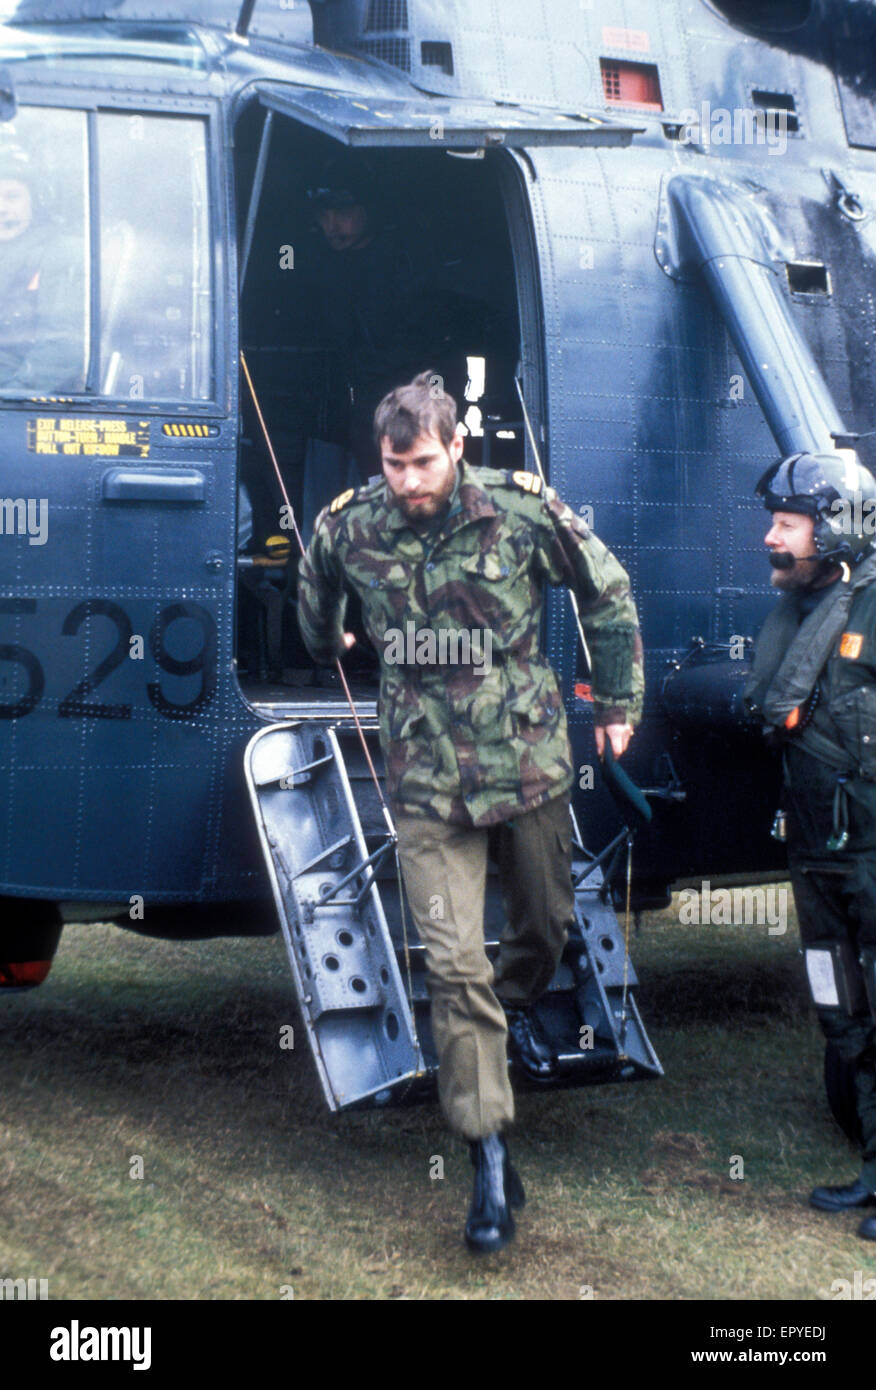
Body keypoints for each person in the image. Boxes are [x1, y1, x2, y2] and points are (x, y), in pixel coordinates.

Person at [297, 372, 643, 1253]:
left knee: (547, 920)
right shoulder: (353, 522)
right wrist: (327, 633)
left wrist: (617, 701)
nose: (407, 483)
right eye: (392, 465)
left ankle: (521, 1000)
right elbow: (316, 583)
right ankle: (488, 1153)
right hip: (422, 779)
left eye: (420, 463)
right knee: (453, 967)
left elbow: (604, 587)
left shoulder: (520, 516)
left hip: (524, 765)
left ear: (456, 448)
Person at [744, 451, 876, 1241]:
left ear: (832, 529)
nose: (772, 538)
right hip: (816, 855)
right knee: (843, 1010)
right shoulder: (793, 614)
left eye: (787, 524)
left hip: (871, 850)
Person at [305, 153, 513, 485]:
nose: (331, 225)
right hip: (353, 417)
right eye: (324, 215)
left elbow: (442, 348)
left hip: (410, 412)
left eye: (343, 213)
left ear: (368, 211)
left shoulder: (409, 267)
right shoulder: (323, 269)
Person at [0, 157, 86, 394]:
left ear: (35, 202)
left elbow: (63, 346)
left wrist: (12, 397)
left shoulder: (61, 253)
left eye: (12, 197)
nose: (2, 207)